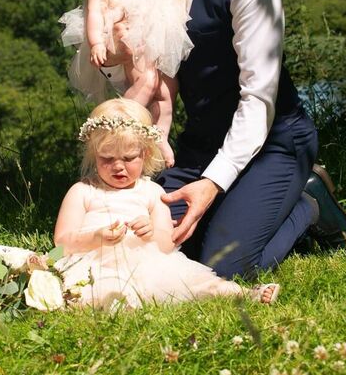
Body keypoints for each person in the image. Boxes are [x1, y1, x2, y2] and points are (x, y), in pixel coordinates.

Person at [142, 0, 346, 281]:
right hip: (203, 141)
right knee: (154, 242)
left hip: (274, 142)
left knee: (222, 267)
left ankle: (308, 206)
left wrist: (211, 184)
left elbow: (260, 98)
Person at [54, 98, 280, 308]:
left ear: (145, 153)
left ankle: (244, 293)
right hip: (96, 265)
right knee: (96, 291)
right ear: (94, 155)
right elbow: (62, 243)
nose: (118, 166)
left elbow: (166, 243)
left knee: (197, 282)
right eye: (107, 158)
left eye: (129, 158)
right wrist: (96, 237)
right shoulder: (83, 191)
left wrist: (150, 232)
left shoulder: (151, 192)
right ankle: (119, 307)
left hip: (148, 265)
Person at [59, 0, 191, 165]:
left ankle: (160, 136)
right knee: (147, 83)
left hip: (149, 43)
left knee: (167, 92)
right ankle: (115, 126)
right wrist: (96, 43)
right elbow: (93, 12)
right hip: (120, 42)